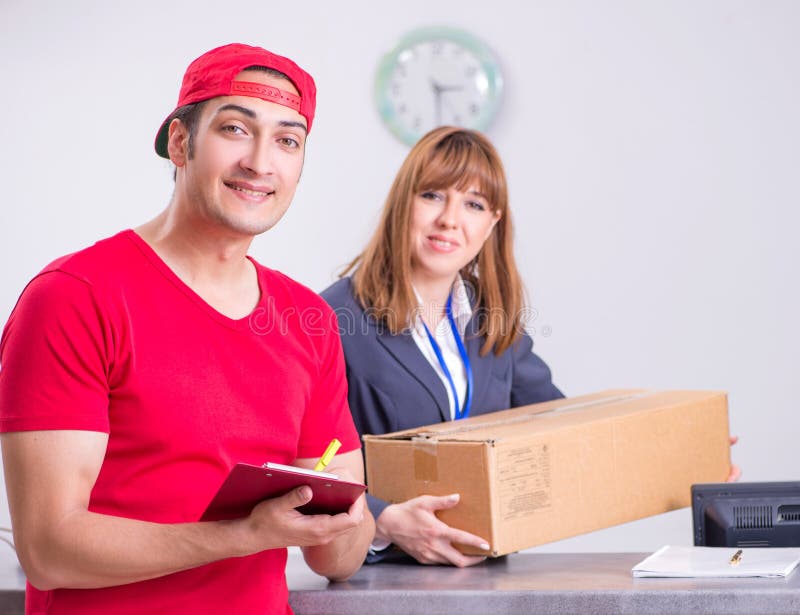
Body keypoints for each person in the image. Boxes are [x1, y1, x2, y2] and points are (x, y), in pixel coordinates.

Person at [0, 43, 374, 614]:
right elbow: (49, 549)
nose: (260, 162)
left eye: (287, 140)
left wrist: (355, 518)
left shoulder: (309, 321)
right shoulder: (74, 298)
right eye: (235, 129)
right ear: (179, 142)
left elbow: (336, 559)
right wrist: (242, 536)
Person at [321, 126, 562, 567]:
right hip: (380, 580)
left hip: (485, 574)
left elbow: (559, 428)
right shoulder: (334, 318)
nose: (450, 219)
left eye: (474, 204)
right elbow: (306, 464)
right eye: (432, 195)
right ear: (404, 202)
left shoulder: (493, 320)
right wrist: (383, 520)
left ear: (492, 223)